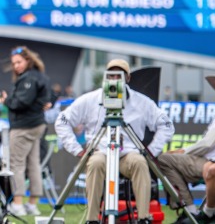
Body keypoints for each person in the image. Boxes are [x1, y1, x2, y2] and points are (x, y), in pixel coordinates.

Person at [55, 59, 174, 224]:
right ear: (105, 77)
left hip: (128, 154)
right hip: (101, 152)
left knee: (140, 162)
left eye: (120, 75)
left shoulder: (142, 102)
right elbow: (62, 121)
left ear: (128, 78)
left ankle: (143, 218)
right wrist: (77, 150)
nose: (115, 80)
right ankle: (92, 219)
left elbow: (167, 125)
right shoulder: (90, 99)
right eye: (111, 75)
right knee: (95, 163)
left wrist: (152, 151)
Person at [157, 66, 215, 224]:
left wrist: (184, 151)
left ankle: (191, 212)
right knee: (211, 169)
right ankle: (214, 215)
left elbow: (208, 143)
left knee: (164, 159)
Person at [0, 45, 51, 217]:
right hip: (36, 125)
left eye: (19, 62)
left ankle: (18, 204)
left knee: (17, 164)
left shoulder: (28, 78)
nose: (16, 66)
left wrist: (7, 101)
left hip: (24, 127)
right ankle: (32, 204)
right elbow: (52, 95)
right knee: (34, 164)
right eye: (14, 63)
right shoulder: (40, 76)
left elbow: (21, 102)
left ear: (28, 60)